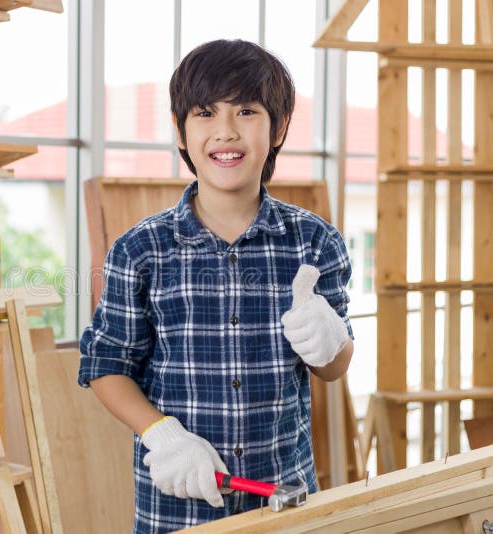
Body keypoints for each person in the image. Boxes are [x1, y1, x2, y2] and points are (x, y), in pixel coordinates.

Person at [78, 39, 354, 533]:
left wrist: (330, 339)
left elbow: (332, 369)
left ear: (280, 126)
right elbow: (105, 365)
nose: (226, 131)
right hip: (176, 508)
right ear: (180, 130)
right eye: (205, 113)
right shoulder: (141, 250)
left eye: (247, 110)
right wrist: (162, 434)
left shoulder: (315, 242)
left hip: (284, 501)